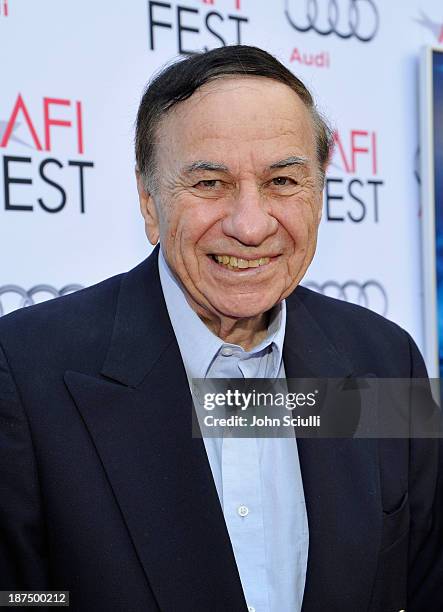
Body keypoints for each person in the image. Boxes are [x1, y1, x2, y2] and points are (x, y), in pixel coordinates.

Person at [0, 45, 441, 612]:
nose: (251, 225)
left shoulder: (385, 358)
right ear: (149, 200)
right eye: (210, 184)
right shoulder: (27, 371)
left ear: (321, 190)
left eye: (283, 180)